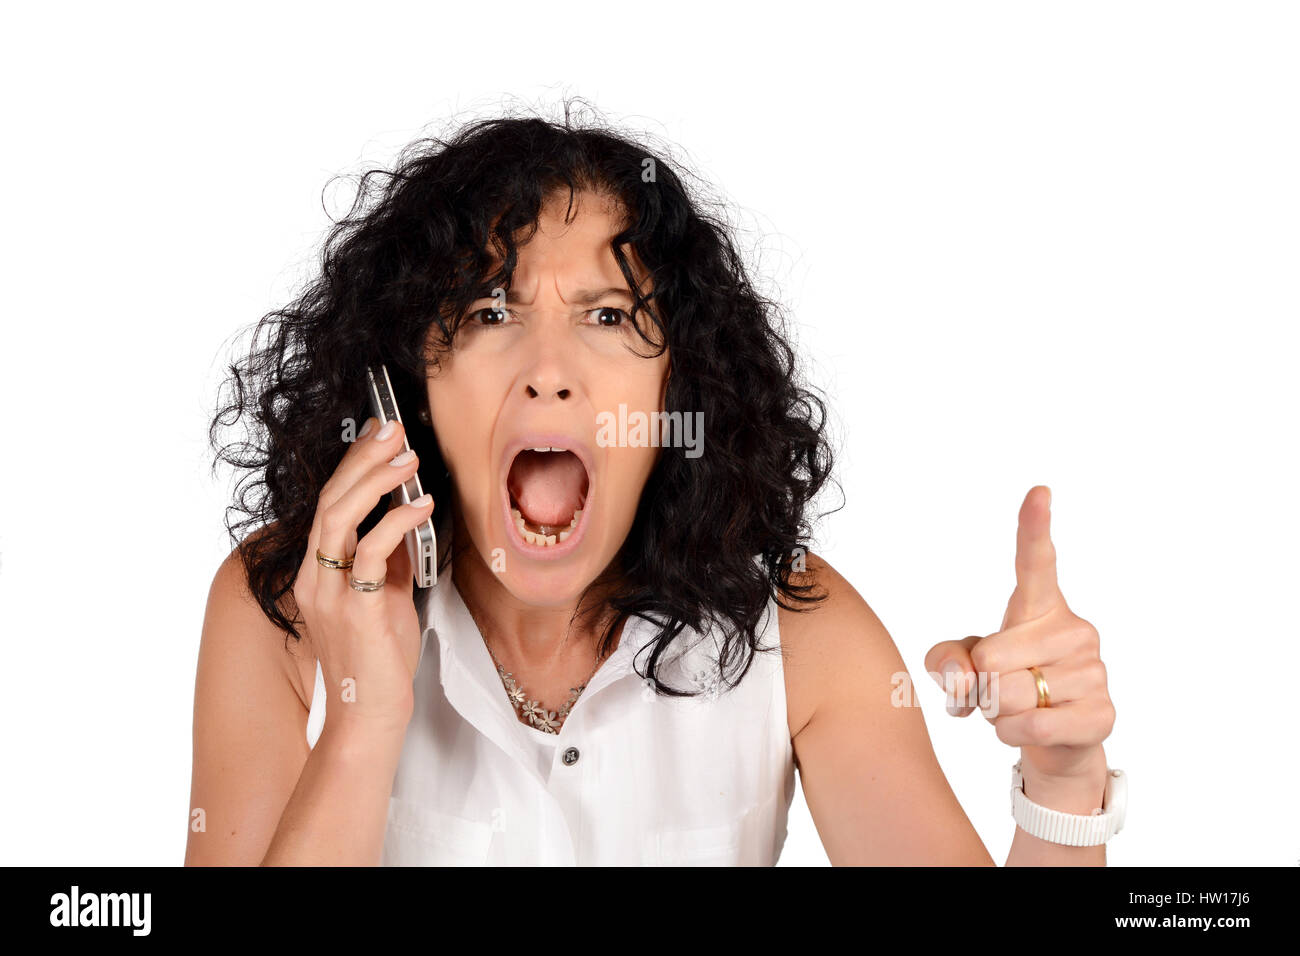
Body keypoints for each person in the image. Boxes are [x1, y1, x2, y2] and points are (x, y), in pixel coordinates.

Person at [187, 105, 1118, 866]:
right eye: (487, 311)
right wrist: (362, 721)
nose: (549, 372)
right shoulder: (281, 612)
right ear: (409, 388)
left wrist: (1066, 784)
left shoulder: (801, 634)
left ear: (679, 382)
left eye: (606, 314)